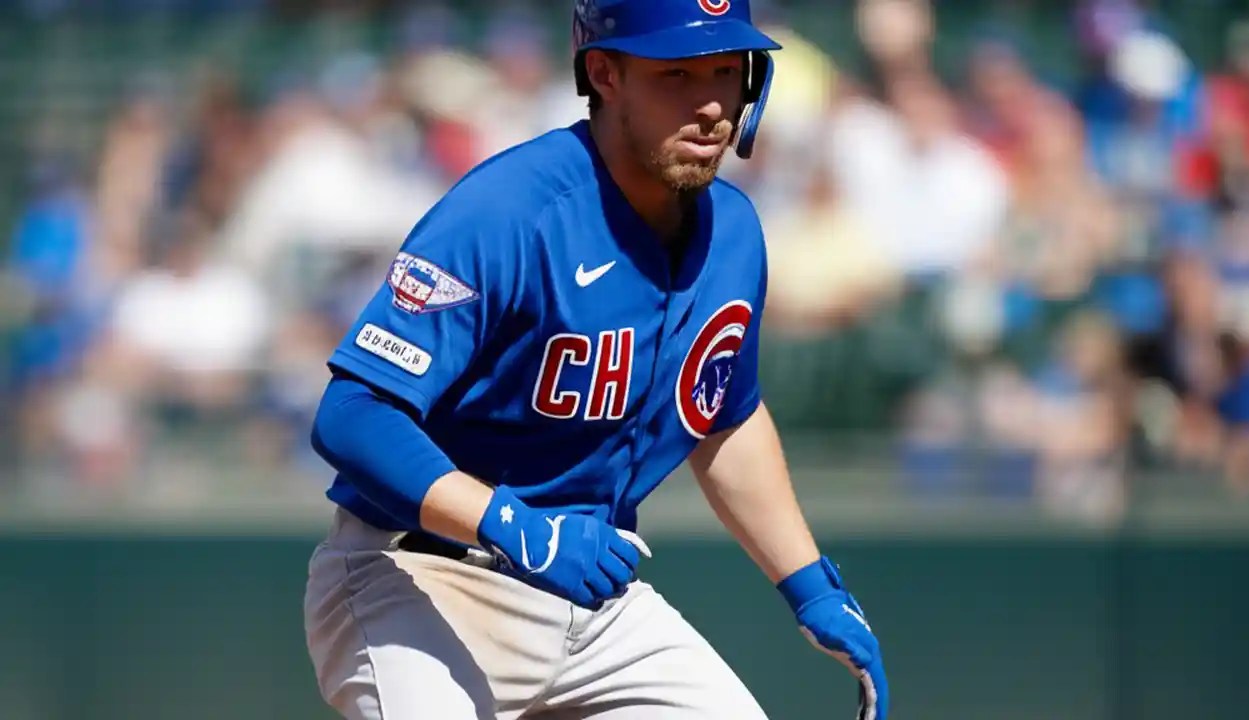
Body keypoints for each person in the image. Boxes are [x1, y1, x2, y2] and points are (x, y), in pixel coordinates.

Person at [302, 1, 890, 718]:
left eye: (726, 71)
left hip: (594, 606)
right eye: (675, 73)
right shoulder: (508, 211)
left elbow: (723, 418)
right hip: (419, 580)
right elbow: (352, 414)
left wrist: (810, 585)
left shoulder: (732, 231)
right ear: (605, 73)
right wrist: (512, 525)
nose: (710, 104)